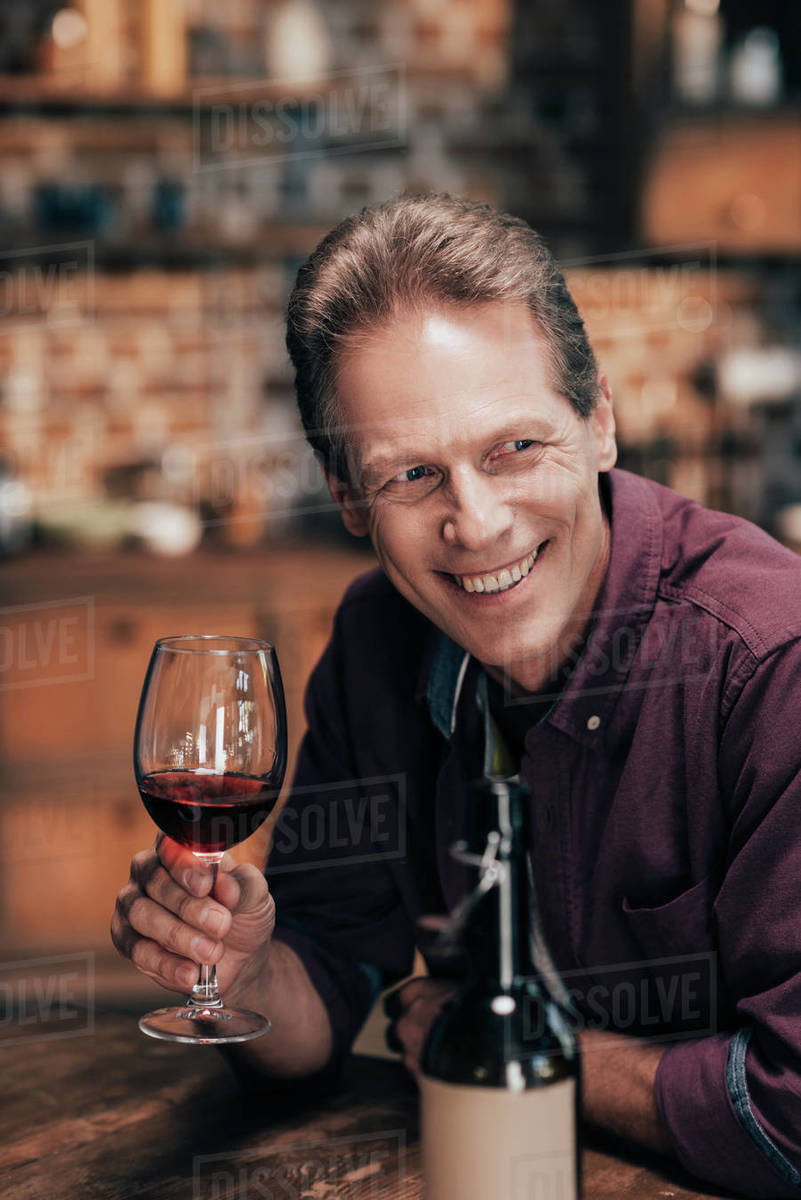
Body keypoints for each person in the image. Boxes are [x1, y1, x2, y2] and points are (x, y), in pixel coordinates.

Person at [112, 194, 801, 1198]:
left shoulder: (770, 663)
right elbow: (325, 993)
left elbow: (792, 1117)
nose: (476, 524)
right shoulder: (375, 643)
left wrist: (515, 1038)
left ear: (599, 419)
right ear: (349, 496)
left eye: (513, 447)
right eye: (412, 476)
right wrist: (243, 970)